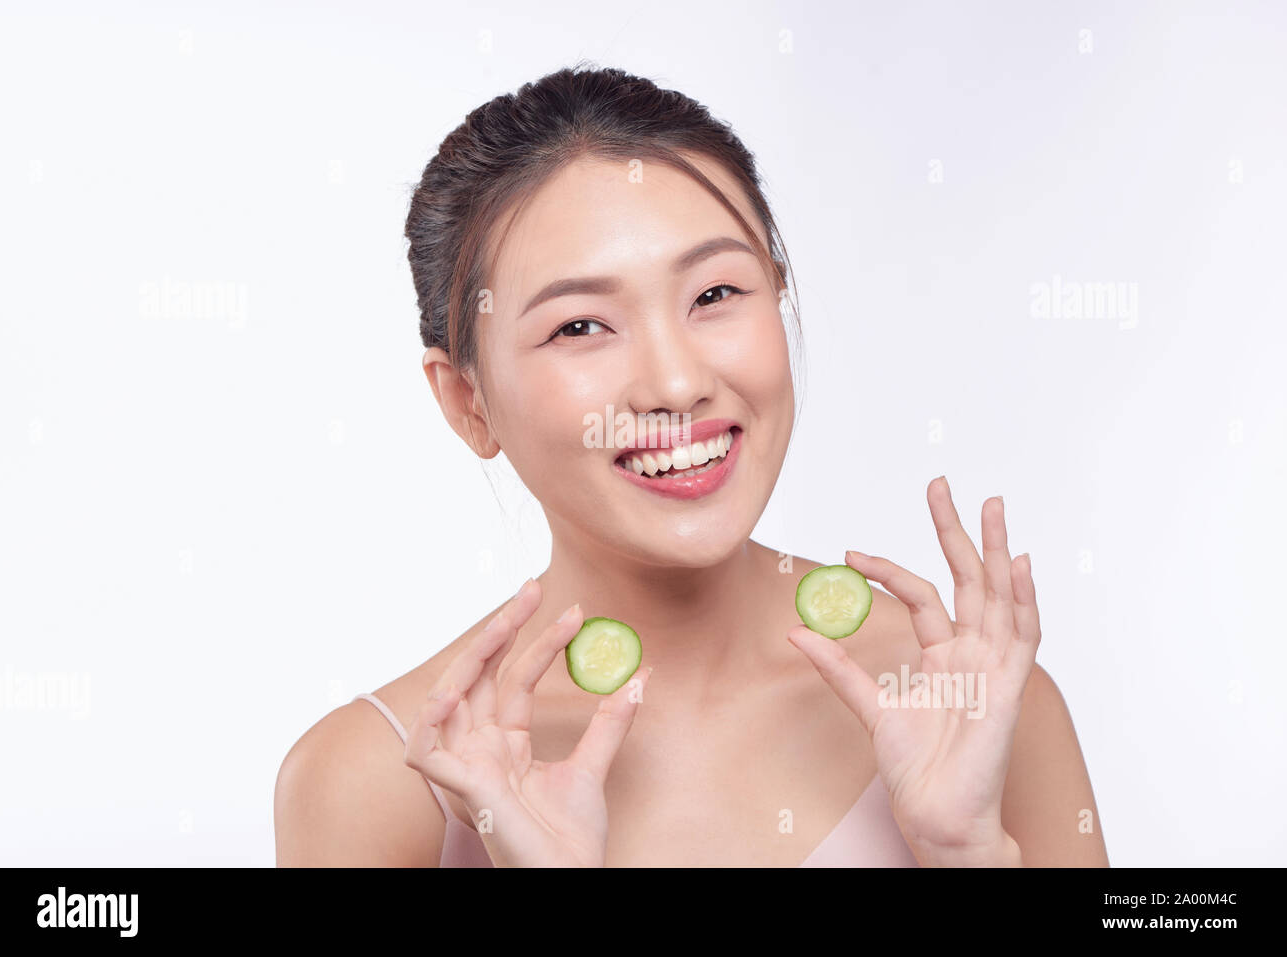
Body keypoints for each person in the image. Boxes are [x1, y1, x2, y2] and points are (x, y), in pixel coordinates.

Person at [274, 63, 1109, 867]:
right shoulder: (381, 779)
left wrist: (966, 855)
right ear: (467, 402)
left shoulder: (975, 701)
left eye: (714, 295)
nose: (677, 382)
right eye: (580, 327)